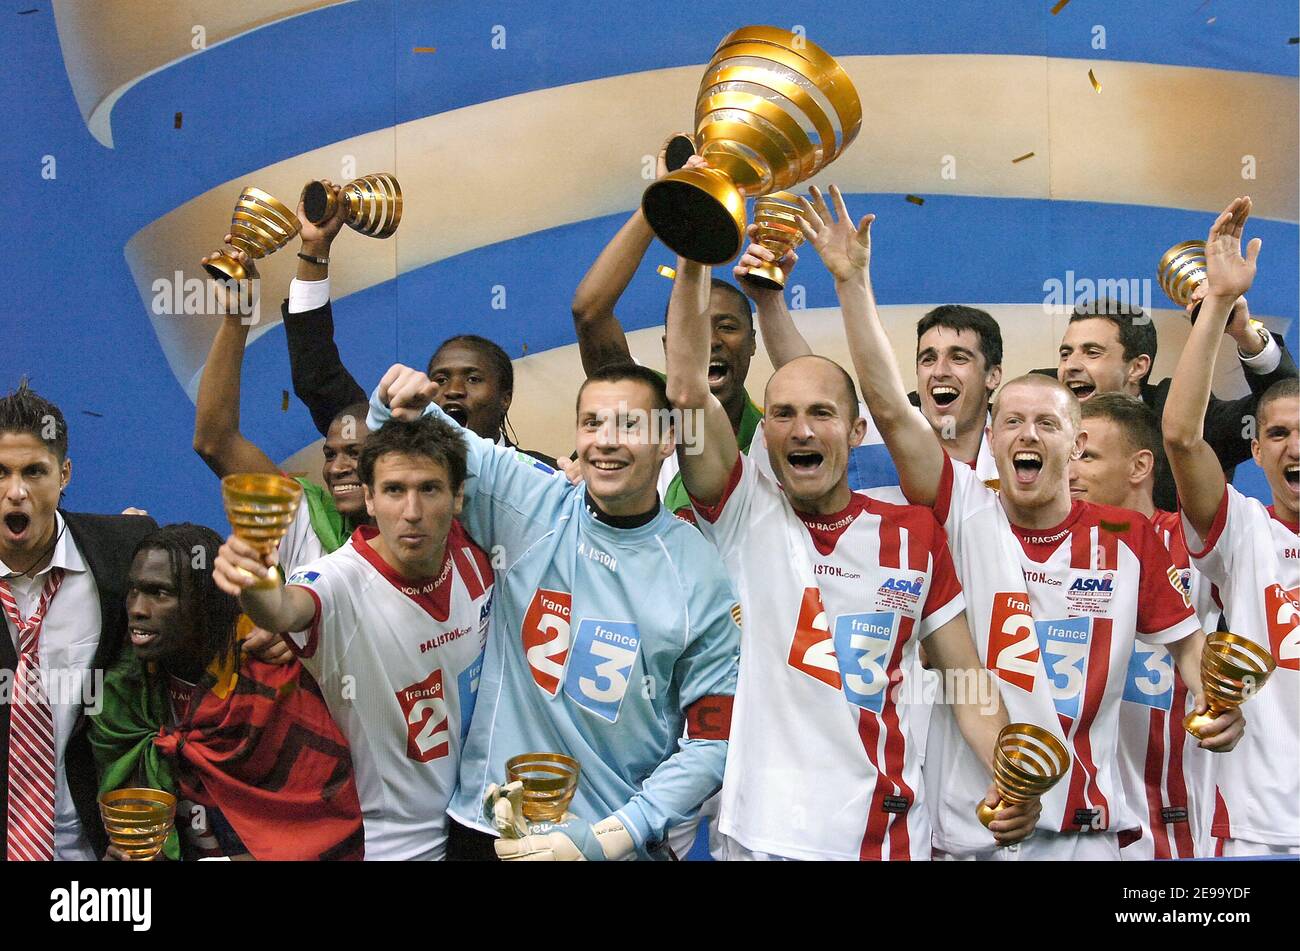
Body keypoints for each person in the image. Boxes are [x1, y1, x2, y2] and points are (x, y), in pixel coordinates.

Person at [797, 184, 1245, 860]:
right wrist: (853, 281)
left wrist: (1220, 704)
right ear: (995, 438)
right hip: (971, 832)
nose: (1025, 433)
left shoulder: (1128, 542)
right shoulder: (961, 511)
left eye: (1046, 422)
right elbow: (891, 408)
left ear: (1076, 444)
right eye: (1011, 420)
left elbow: (1186, 651)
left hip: (1083, 835)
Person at [664, 253, 1032, 860]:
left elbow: (966, 682)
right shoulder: (741, 515)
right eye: (782, 414)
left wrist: (1008, 770)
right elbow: (685, 390)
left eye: (820, 414)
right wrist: (695, 257)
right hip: (758, 838)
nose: (801, 431)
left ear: (857, 431)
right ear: (764, 434)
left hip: (880, 837)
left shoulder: (913, 534)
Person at [368, 361, 741, 861]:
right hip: (486, 829)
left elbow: (713, 741)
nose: (605, 442)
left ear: (667, 440)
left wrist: (616, 835)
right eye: (591, 423)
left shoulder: (697, 572)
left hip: (609, 839)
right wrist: (396, 396)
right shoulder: (530, 502)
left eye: (629, 425)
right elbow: (407, 430)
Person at [214, 414, 495, 860]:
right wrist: (254, 582)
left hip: (485, 822)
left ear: (458, 495)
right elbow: (284, 608)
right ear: (369, 497)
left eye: (429, 488)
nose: (412, 512)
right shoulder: (339, 582)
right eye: (393, 490)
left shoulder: (475, 550)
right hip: (397, 844)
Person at [89, 523, 363, 861]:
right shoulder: (125, 696)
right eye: (133, 590)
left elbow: (324, 831)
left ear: (205, 603)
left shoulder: (276, 685)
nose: (137, 609)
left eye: (160, 593)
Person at [1162, 195, 1298, 858]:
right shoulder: (1242, 534)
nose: (1294, 446)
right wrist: (1216, 307)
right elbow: (1182, 436)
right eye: (1278, 433)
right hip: (1258, 828)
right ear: (1259, 447)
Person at [279, 181, 556, 466]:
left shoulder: (545, 481)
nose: (454, 390)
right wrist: (315, 246)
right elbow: (317, 377)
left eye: (473, 379)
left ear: (505, 398)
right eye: (440, 380)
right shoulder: (392, 457)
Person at [0, 382, 157, 860]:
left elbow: (204, 622)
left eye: (34, 472)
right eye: (0, 473)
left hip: (90, 847)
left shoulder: (125, 549)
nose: (16, 492)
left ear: (64, 474)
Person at [193, 248, 371, 654]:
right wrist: (237, 319)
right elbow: (215, 440)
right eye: (330, 454)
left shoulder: (426, 543)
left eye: (357, 454)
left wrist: (311, 631)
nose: (339, 468)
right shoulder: (305, 516)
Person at [572, 148, 762, 521]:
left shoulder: (772, 436)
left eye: (727, 326)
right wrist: (662, 200)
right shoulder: (644, 403)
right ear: (669, 344)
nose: (711, 341)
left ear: (754, 342)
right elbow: (590, 313)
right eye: (699, 329)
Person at [1068, 393, 1215, 859]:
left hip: (1200, 813)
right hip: (1096, 820)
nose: (1070, 471)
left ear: (1139, 467)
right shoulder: (1052, 554)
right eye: (1068, 454)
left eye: (1086, 456)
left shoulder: (1200, 546)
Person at [738, 240, 1000, 496]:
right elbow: (807, 379)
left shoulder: (1017, 445)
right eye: (928, 359)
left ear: (993, 375)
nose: (940, 371)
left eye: (959, 358)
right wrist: (769, 300)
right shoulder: (870, 430)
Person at [1048, 289, 1293, 511]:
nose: (1071, 366)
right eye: (1066, 354)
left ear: (1137, 367)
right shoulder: (1039, 407)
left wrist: (1246, 335)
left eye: (1092, 353)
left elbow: (1286, 407)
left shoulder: (1186, 416)